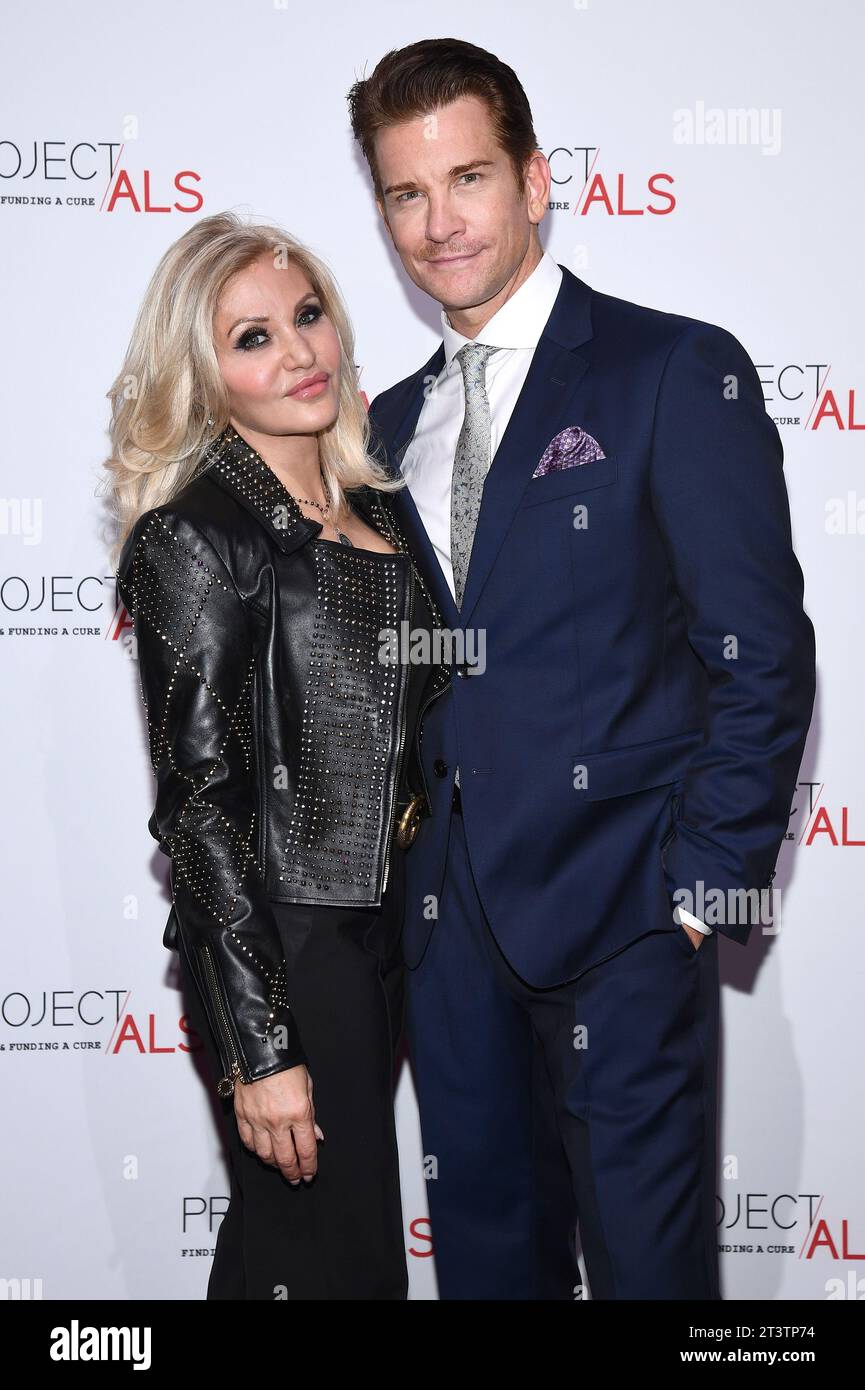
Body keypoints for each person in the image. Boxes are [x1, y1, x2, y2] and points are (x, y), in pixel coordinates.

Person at [347, 38, 817, 1299]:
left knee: (651, 1280)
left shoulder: (669, 369)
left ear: (536, 180)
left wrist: (700, 893)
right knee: (489, 1276)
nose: (438, 223)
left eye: (468, 179)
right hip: (448, 942)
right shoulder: (384, 426)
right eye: (404, 192)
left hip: (625, 923)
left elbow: (760, 649)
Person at [103, 211, 450, 1300]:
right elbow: (201, 807)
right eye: (251, 338)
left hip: (388, 931)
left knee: (289, 1260)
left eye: (307, 317)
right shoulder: (197, 536)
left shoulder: (382, 510)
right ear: (203, 376)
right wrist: (259, 1046)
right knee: (332, 1263)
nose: (297, 352)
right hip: (289, 948)